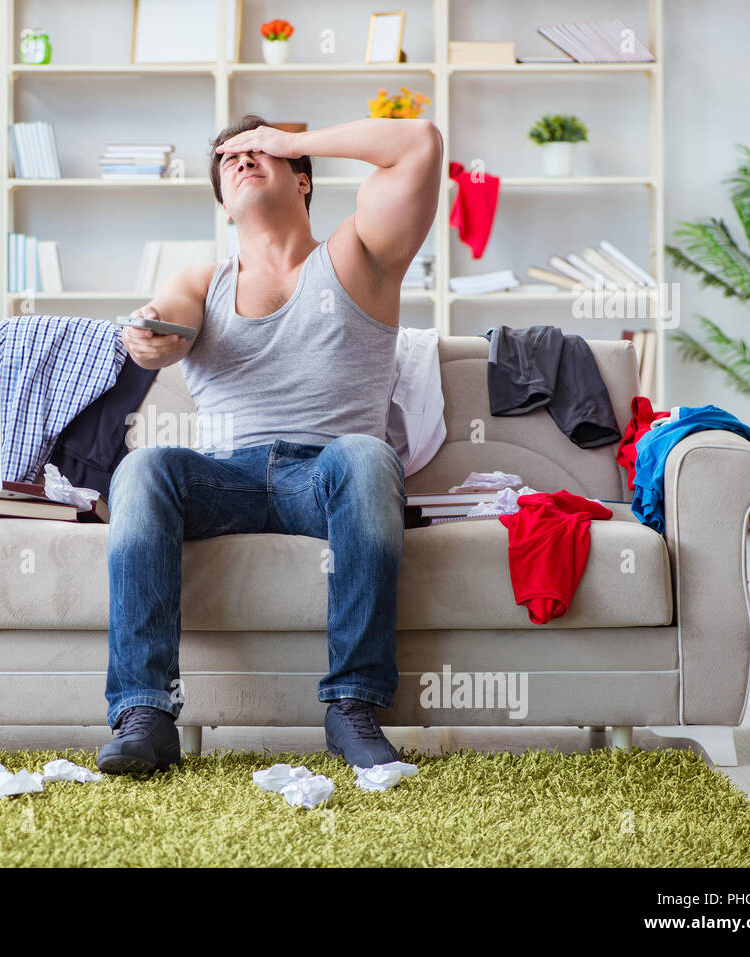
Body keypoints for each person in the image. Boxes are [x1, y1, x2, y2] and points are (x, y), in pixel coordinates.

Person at [96, 113, 443, 774]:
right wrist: (150, 337)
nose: (244, 160)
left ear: (303, 180)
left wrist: (292, 139)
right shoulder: (202, 280)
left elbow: (418, 143)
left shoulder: (359, 254)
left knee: (369, 456)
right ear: (224, 207)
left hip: (326, 476)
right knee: (142, 468)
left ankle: (352, 707)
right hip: (223, 478)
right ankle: (146, 713)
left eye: (259, 153)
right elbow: (169, 323)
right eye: (229, 159)